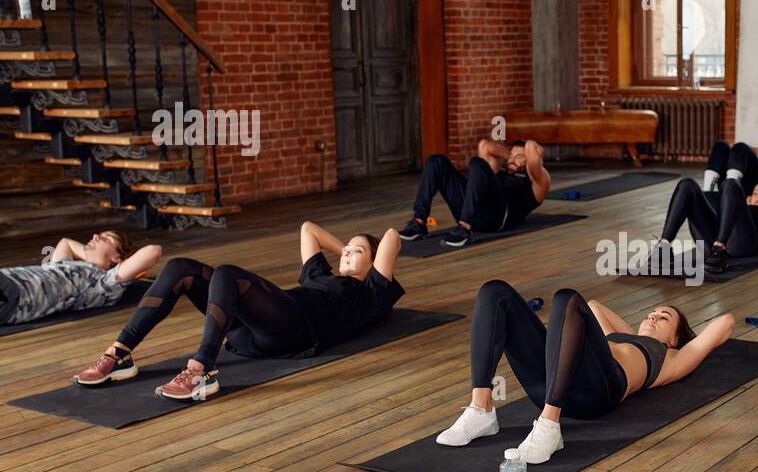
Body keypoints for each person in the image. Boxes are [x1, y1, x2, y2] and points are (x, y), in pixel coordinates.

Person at [73, 221, 403, 400]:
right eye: (345, 249)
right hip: (249, 333)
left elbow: (391, 236)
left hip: (295, 331)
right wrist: (347, 247)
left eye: (356, 252)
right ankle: (119, 354)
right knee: (179, 267)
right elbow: (307, 228)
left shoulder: (371, 292)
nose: (345, 253)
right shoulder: (320, 274)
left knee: (227, 273)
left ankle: (201, 369)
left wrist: (368, 259)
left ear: (375, 263)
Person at [436, 280, 734, 464]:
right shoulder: (620, 338)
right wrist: (634, 331)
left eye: (664, 316)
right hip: (552, 382)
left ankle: (550, 428)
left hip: (596, 392)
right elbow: (594, 306)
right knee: (495, 291)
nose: (654, 315)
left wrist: (668, 339)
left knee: (568, 297)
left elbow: (726, 322)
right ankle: (482, 409)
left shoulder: (673, 358)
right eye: (650, 312)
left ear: (674, 338)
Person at [660, 152, 758, 275]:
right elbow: (705, 198)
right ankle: (664, 247)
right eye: (756, 193)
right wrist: (737, 200)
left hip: (741, 245)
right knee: (687, 184)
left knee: (730, 183)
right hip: (711, 240)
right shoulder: (740, 206)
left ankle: (719, 250)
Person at [398, 138, 551, 247]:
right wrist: (511, 157)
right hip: (471, 208)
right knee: (436, 161)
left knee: (478, 164)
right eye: (511, 155)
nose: (512, 160)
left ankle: (464, 228)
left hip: (496, 219)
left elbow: (531, 149)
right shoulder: (500, 171)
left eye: (519, 157)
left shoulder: (536, 182)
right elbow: (485, 145)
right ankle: (419, 223)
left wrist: (530, 151)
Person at [0, 231, 159, 326]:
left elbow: (153, 251)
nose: (96, 236)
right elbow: (65, 242)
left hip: (16, 296)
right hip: (7, 280)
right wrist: (93, 256)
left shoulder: (103, 283)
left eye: (107, 238)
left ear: (117, 258)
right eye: (99, 235)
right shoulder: (65, 264)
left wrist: (111, 265)